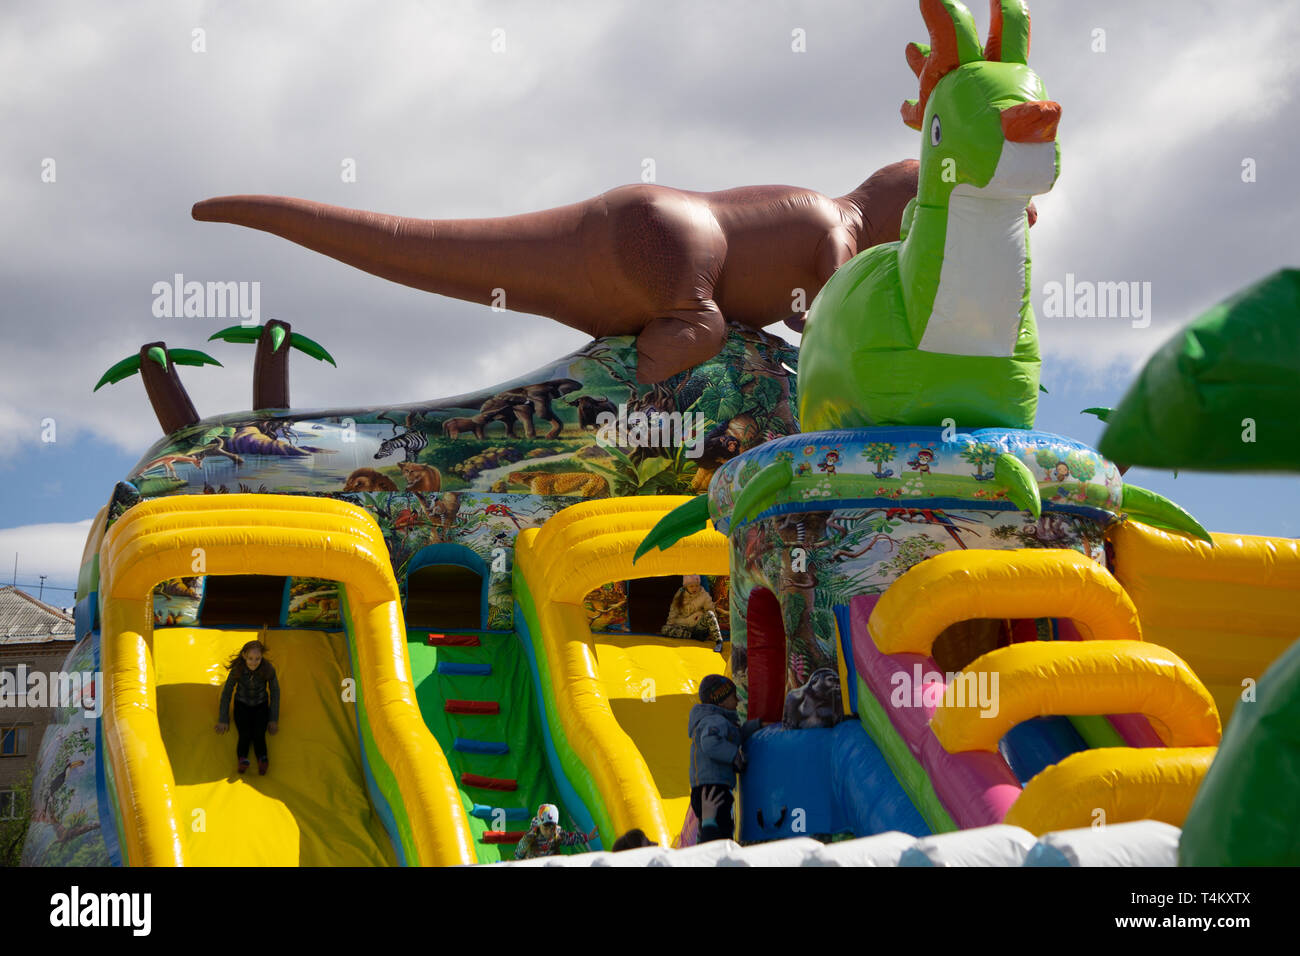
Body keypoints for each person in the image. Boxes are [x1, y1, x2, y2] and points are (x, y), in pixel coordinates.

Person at [687, 675, 760, 842]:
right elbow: (710, 743)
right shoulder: (715, 720)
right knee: (721, 831)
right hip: (712, 788)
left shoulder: (719, 721)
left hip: (707, 787)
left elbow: (736, 735)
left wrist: (757, 725)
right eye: (733, 696)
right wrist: (734, 755)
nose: (738, 699)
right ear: (720, 701)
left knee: (722, 826)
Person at [214, 639, 280, 775]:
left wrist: (273, 719)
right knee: (245, 733)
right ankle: (242, 759)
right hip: (242, 705)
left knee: (259, 733)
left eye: (257, 658)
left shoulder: (267, 669)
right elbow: (227, 693)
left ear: (262, 656)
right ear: (244, 656)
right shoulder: (237, 669)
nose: (254, 662)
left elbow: (275, 692)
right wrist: (223, 718)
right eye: (250, 658)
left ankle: (263, 759)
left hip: (260, 706)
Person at [514, 804, 598, 860]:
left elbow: (569, 838)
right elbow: (520, 851)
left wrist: (587, 837)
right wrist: (518, 860)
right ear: (539, 825)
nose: (548, 832)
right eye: (545, 828)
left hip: (550, 861)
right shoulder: (531, 836)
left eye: (552, 828)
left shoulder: (557, 832)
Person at [660, 575, 720, 644]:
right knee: (665, 629)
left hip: (697, 625)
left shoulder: (704, 595)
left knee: (708, 615)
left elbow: (711, 610)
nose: (694, 588)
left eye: (697, 586)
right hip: (684, 625)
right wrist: (670, 624)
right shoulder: (680, 594)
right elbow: (674, 611)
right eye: (691, 586)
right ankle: (693, 636)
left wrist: (711, 632)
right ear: (686, 587)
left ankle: (699, 635)